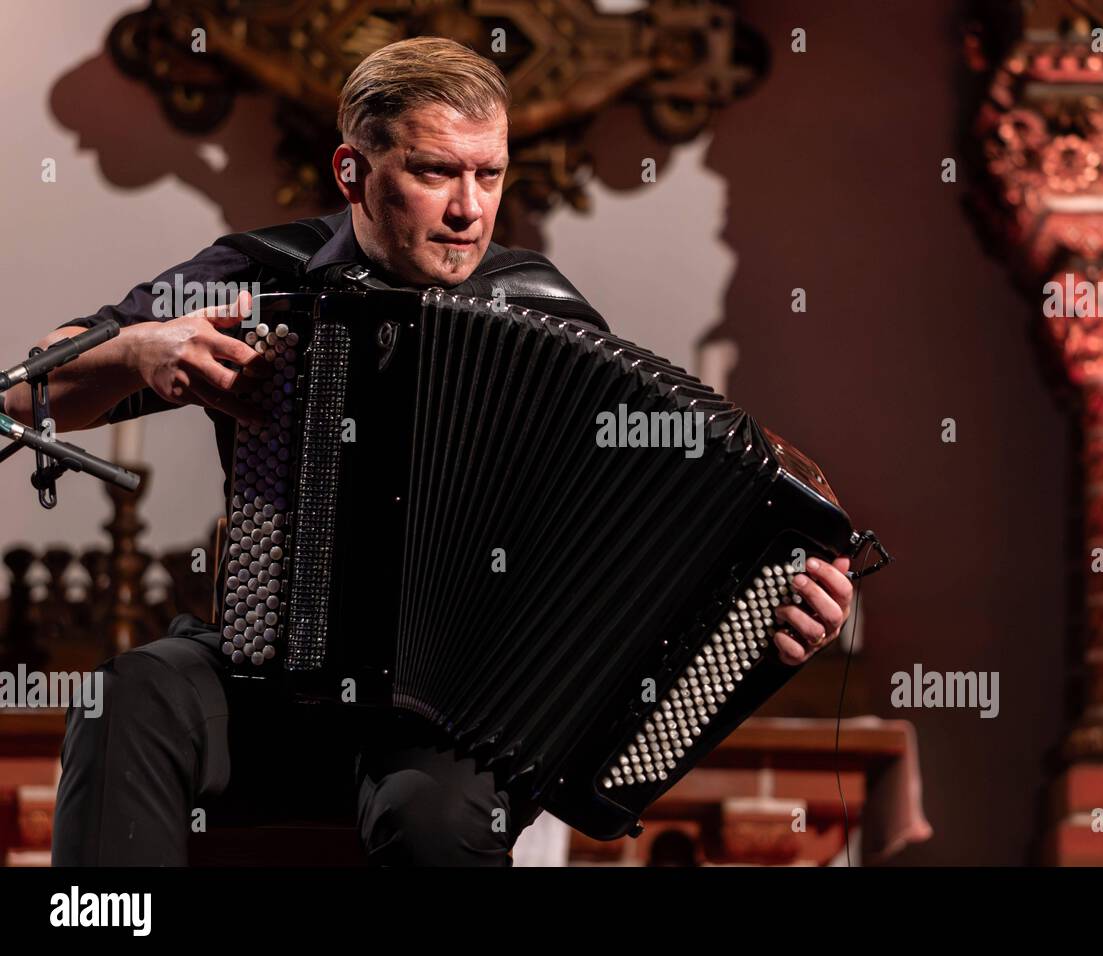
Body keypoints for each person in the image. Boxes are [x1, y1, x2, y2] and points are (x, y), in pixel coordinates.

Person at [3, 36, 854, 866]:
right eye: (435, 171)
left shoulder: (548, 318)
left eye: (489, 173)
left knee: (433, 822)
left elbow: (644, 546)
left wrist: (760, 619)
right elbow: (23, 391)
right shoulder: (262, 281)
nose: (468, 208)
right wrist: (139, 350)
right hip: (274, 686)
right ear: (353, 174)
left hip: (454, 723)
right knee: (127, 698)